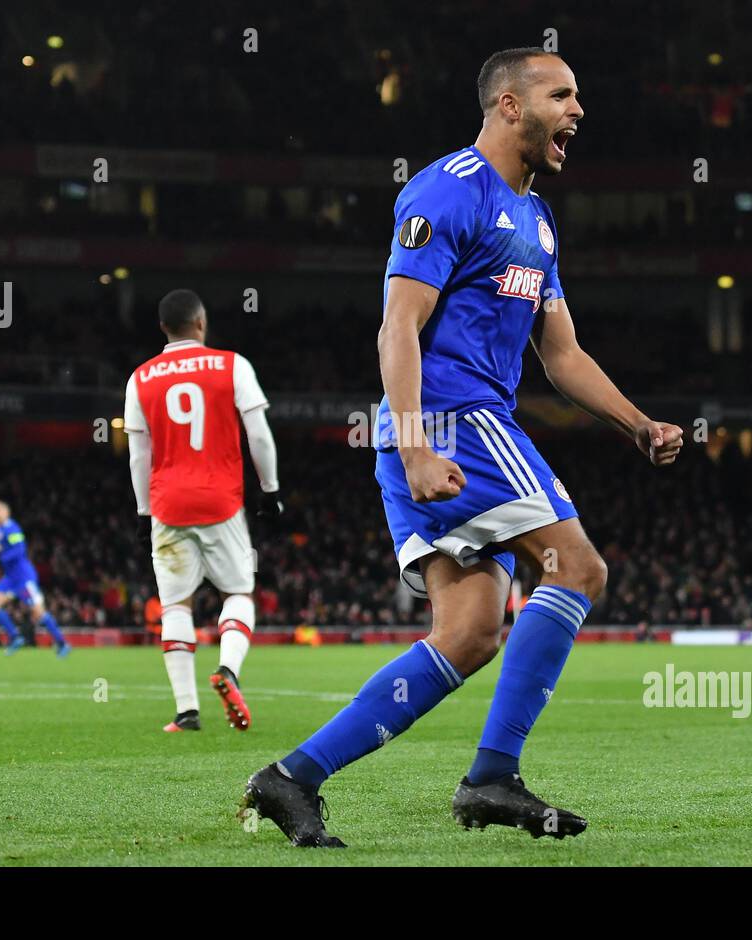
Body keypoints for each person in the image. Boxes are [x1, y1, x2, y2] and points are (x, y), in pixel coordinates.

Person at [241, 48, 683, 847]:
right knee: (578, 567)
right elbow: (397, 327)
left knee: (471, 633)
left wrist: (638, 423)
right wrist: (415, 448)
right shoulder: (448, 190)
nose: (578, 111)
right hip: (452, 422)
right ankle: (492, 776)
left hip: (449, 433)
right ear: (509, 105)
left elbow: (562, 356)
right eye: (562, 94)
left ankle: (290, 778)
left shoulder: (539, 222)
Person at [123, 289, 282, 732]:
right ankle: (228, 669)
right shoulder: (233, 365)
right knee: (237, 595)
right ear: (201, 323)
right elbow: (259, 433)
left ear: (162, 329)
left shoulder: (140, 377)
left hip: (167, 505)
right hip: (221, 501)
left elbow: (139, 454)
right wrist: (270, 490)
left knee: (175, 605)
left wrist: (142, 512)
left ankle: (186, 711)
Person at [0, 499, 70, 658]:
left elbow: (19, 549)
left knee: (38, 612)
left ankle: (62, 643)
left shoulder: (12, 529)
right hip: (10, 578)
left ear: (4, 512)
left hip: (23, 578)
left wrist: (4, 557)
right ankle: (14, 636)